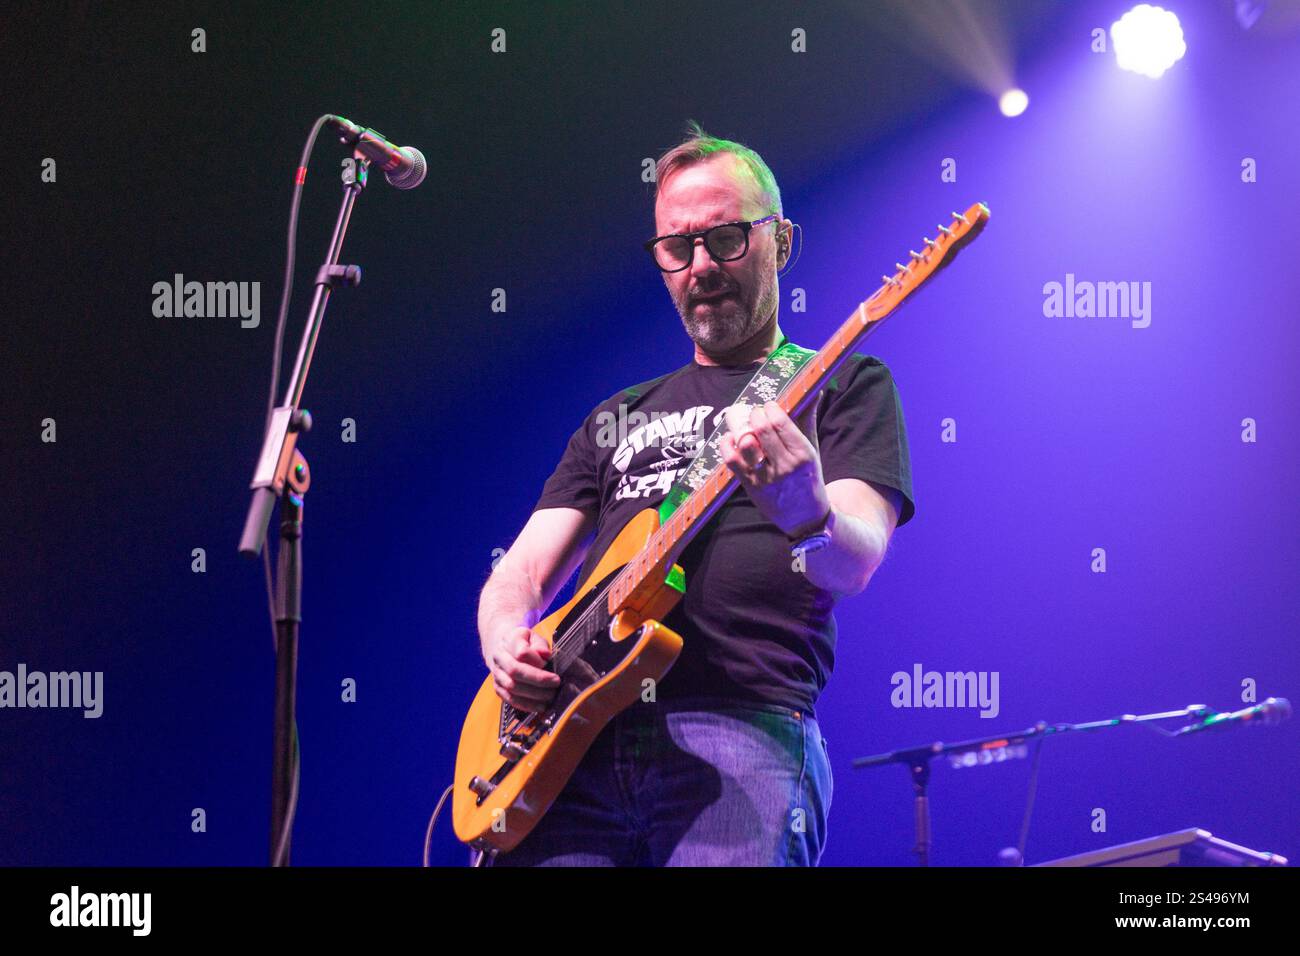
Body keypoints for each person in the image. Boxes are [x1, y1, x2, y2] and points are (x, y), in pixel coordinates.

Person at [477, 121, 915, 866]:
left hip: (741, 731)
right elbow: (519, 572)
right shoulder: (620, 413)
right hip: (569, 745)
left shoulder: (843, 383)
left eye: (726, 238)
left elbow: (857, 562)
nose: (701, 265)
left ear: (780, 242)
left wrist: (806, 507)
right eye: (678, 248)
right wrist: (502, 638)